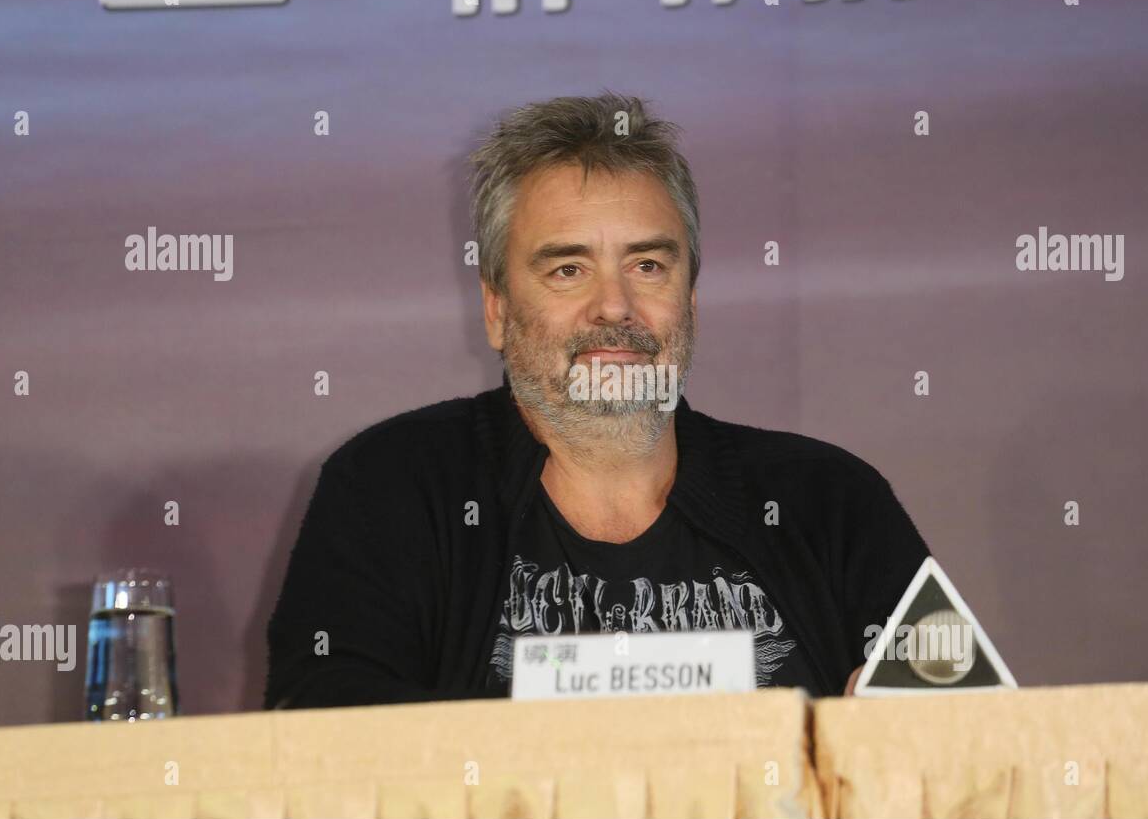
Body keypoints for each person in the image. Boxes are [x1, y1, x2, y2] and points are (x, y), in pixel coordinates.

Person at [264, 92, 929, 709]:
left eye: (648, 266)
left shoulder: (832, 501)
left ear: (690, 303)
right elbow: (326, 759)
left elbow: (968, 745)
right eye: (567, 269)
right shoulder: (390, 489)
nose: (615, 305)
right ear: (496, 310)